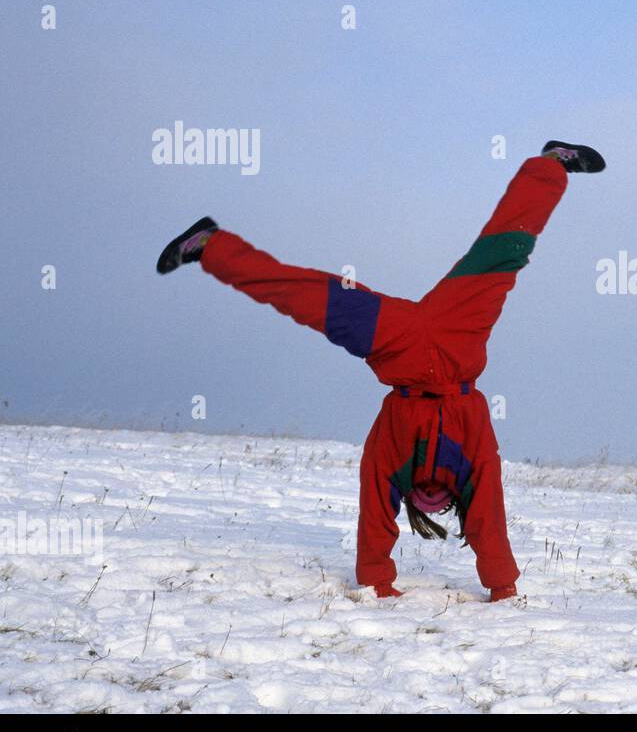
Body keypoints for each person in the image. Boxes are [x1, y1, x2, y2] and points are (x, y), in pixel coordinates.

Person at [155, 141, 605, 601]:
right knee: (506, 249)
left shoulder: (392, 455)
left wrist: (377, 581)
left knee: (308, 298)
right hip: (457, 337)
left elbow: (373, 509)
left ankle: (209, 245)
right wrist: (503, 586)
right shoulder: (473, 455)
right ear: (452, 503)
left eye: (426, 501)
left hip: (401, 348)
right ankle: (551, 164)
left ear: (412, 502)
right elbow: (488, 514)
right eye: (444, 502)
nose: (435, 498)